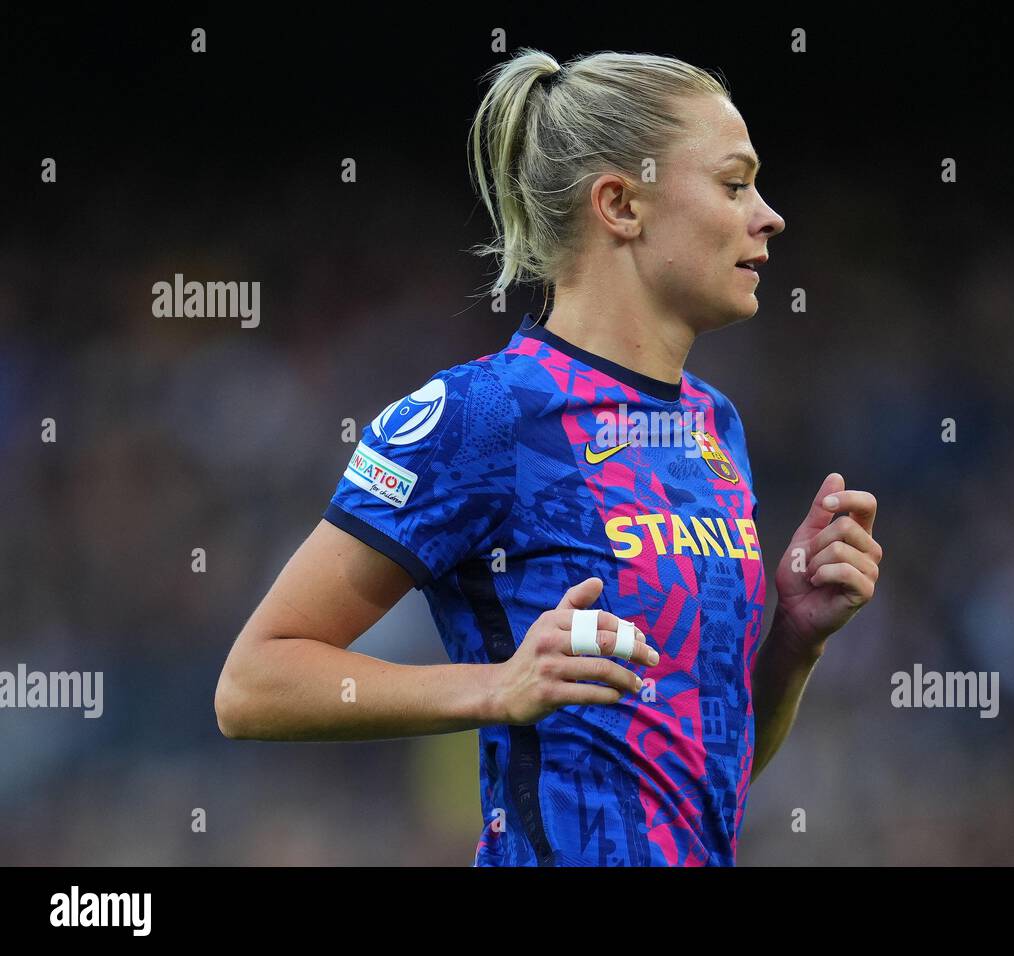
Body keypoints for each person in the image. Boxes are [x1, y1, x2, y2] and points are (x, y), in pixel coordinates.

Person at [215, 47, 883, 866]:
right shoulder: (483, 414)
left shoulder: (716, 427)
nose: (769, 215)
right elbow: (254, 683)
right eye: (734, 183)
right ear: (620, 203)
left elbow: (708, 772)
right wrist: (497, 688)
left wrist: (796, 641)